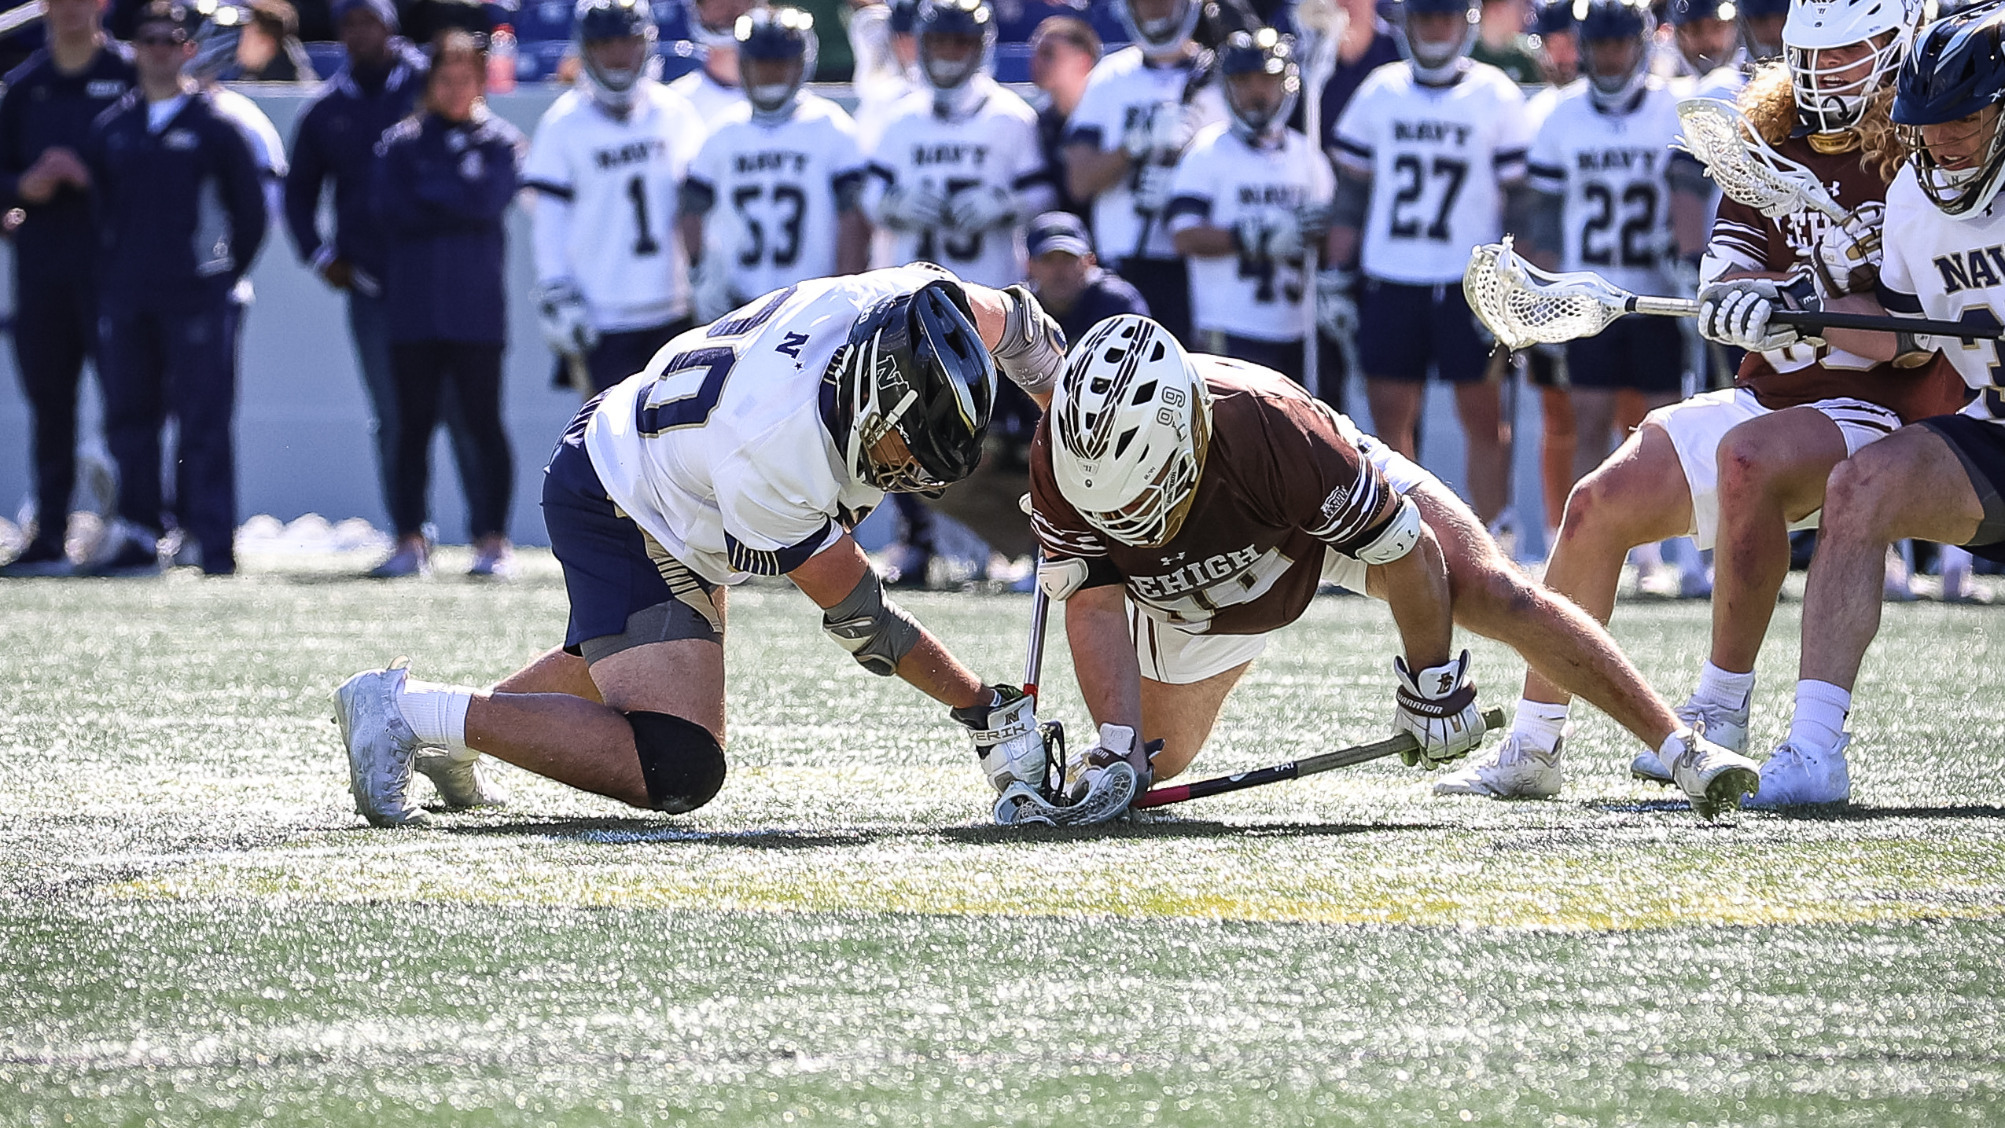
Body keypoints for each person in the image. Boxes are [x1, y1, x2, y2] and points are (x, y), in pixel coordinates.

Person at [329, 268, 1122, 827]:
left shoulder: (910, 305)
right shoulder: (779, 450)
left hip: (668, 460)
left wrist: (1059, 419)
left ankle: (449, 727)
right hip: (625, 498)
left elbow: (1017, 320)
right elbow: (864, 622)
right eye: (901, 451)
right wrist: (984, 711)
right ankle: (400, 708)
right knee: (678, 764)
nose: (906, 476)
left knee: (635, 657)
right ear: (874, 394)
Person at [1439, 0, 1961, 802]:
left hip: (1890, 408)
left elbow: (1921, 333)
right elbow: (1723, 272)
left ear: (1896, 50)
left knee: (1748, 458)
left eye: (1851, 54)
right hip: (1777, 391)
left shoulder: (1932, 151)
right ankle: (1534, 742)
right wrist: (1746, 301)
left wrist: (1816, 301)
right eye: (1814, 56)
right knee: (1596, 501)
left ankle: (1719, 709)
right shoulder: (1766, 143)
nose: (1826, 74)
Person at [1027, 315, 1761, 818]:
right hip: (1197, 595)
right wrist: (1118, 744)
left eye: (1152, 485)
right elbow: (1091, 603)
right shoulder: (1056, 462)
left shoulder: (1273, 427)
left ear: (1189, 425)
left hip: (1307, 524)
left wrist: (1432, 678)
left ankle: (1680, 747)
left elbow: (1408, 551)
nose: (1135, 517)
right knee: (1161, 758)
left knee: (1492, 589)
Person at [1728, 4, 2005, 804]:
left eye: (1967, 115)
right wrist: (1797, 309)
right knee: (1860, 485)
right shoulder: (1919, 196)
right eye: (1929, 119)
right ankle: (1814, 751)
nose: (1944, 136)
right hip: (1992, 429)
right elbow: (1906, 337)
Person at [289, 0, 497, 540]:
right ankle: (411, 532)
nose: (360, 33)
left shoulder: (426, 83)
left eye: (371, 20)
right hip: (376, 282)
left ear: (392, 25)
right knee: (398, 417)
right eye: (350, 22)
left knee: (468, 416)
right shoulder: (326, 108)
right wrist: (320, 255)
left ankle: (486, 533)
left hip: (445, 281)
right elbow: (297, 195)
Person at [1327, 0, 1529, 528]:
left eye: (1445, 17)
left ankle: (1490, 538)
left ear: (1464, 22)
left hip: (1473, 283)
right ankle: (1401, 536)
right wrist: (1333, 271)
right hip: (1391, 275)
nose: (1436, 28)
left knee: (1485, 418)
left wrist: (1521, 273)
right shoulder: (1381, 90)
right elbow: (1351, 192)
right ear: (1407, 24)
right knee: (1389, 422)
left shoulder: (1495, 92)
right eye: (1425, 18)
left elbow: (1522, 199)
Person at [82, 0, 266, 577]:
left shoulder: (217, 128)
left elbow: (250, 214)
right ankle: (140, 531)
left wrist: (220, 274)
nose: (160, 50)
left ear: (189, 50)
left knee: (203, 421)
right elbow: (96, 217)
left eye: (171, 40)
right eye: (149, 40)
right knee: (130, 418)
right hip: (131, 297)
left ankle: (210, 541)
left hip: (199, 298)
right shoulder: (113, 128)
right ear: (134, 49)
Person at [370, 29, 524, 578]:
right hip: (413, 311)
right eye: (445, 78)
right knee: (410, 427)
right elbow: (393, 209)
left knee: (483, 425)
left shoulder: (499, 140)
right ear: (429, 82)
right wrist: (451, 194)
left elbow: (488, 201)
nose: (455, 89)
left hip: (476, 313)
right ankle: (410, 539)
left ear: (481, 82)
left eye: (466, 78)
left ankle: (492, 539)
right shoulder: (401, 143)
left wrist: (436, 193)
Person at [0, 0, 134, 577]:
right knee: (50, 407)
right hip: (42, 271)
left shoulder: (132, 75)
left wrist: (92, 179)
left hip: (117, 273)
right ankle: (49, 532)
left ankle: (139, 529)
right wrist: (24, 185)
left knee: (132, 407)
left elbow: (159, 173)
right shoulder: (24, 87)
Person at [524, 0, 704, 396]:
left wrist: (706, 269)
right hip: (601, 313)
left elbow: (700, 209)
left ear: (647, 43)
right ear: (584, 48)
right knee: (608, 445)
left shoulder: (675, 113)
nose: (618, 54)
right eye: (604, 43)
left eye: (628, 41)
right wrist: (556, 288)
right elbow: (549, 220)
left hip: (674, 307)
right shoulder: (564, 122)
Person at [679, 7, 870, 324]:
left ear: (801, 64)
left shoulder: (831, 128)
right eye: (761, 66)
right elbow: (690, 209)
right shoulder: (722, 133)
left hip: (809, 304)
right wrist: (700, 269)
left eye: (779, 66)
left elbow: (853, 221)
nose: (770, 76)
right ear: (743, 65)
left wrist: (843, 289)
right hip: (739, 303)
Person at [1166, 28, 1332, 386]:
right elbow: (1183, 235)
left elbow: (1331, 239)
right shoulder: (1207, 153)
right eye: (1243, 80)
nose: (1256, 91)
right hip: (1229, 326)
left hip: (1300, 328)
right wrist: (1253, 236)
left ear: (1286, 83)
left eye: (1267, 79)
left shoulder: (1308, 156)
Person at [1062, 0, 1227, 345]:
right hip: (1124, 261)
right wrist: (1132, 146)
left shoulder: (1221, 77)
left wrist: (1183, 188)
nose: (1155, 9)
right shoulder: (1110, 76)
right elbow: (1079, 182)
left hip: (1201, 269)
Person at [864, 0, 1050, 292]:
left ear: (981, 47)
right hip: (909, 295)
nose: (949, 53)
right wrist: (895, 204)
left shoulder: (1011, 116)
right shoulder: (900, 118)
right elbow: (870, 196)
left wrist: (1004, 205)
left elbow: (1043, 194)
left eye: (961, 43)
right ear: (923, 44)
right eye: (939, 42)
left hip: (991, 291)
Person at [1022, 210, 1148, 344]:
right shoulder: (1019, 311)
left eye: (1068, 258)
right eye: (1048, 260)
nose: (1058, 270)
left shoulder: (1118, 305)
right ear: (1029, 266)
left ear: (1089, 262)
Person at [1027, 15, 1098, 222]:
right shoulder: (1036, 123)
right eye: (1035, 53)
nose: (1036, 62)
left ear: (1082, 61)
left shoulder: (1105, 119)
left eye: (1048, 54)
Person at [671, 0, 755, 125]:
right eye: (720, 5)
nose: (732, 10)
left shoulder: (791, 99)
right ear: (699, 10)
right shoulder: (676, 104)